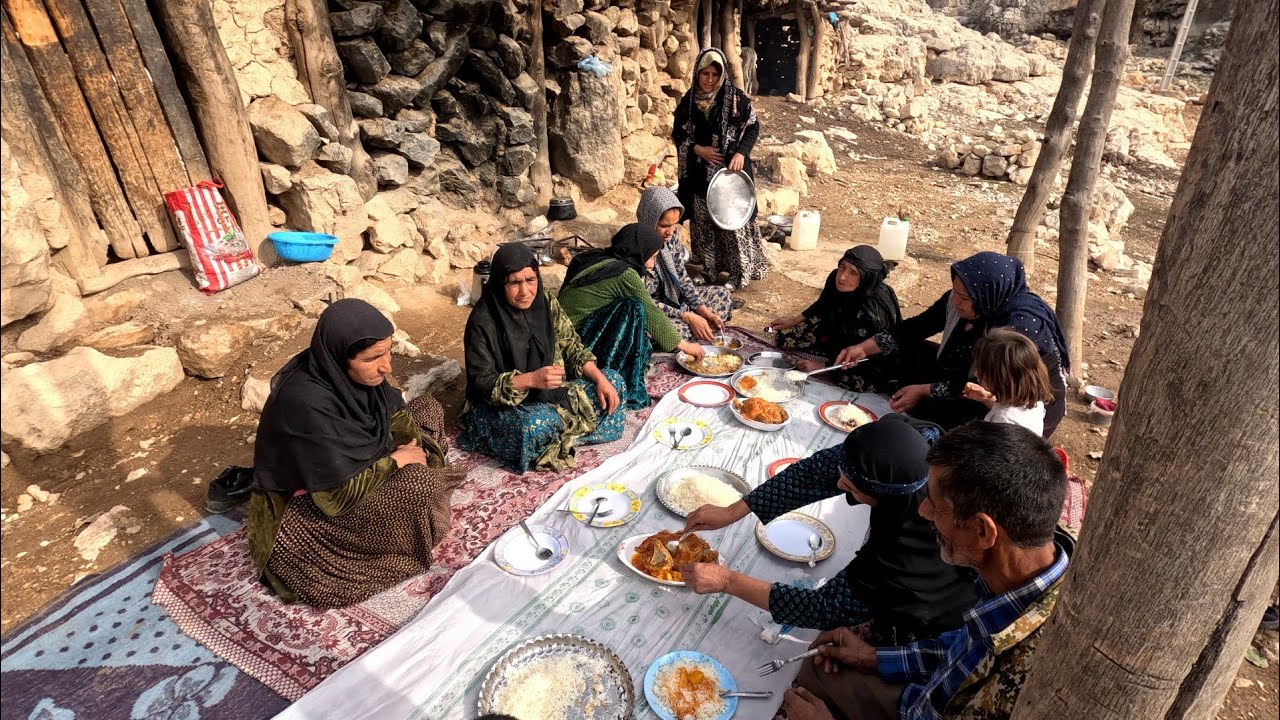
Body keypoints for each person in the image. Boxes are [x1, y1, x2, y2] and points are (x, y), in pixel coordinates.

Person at [782, 421, 1073, 720]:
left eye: (935, 505)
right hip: (922, 700)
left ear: (982, 531)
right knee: (815, 669)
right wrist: (872, 657)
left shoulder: (1031, 674)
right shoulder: (1027, 575)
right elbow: (964, 649)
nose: (923, 512)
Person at [679, 415, 977, 644]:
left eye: (849, 488)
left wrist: (728, 581)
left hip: (935, 616)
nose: (837, 487)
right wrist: (734, 510)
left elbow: (825, 608)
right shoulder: (905, 442)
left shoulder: (908, 543)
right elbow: (816, 472)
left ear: (882, 497)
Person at [247, 299, 463, 608]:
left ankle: (418, 504)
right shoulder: (306, 404)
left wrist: (412, 447)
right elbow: (335, 498)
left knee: (427, 408)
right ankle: (409, 521)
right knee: (418, 483)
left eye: (388, 351)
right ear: (339, 358)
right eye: (373, 358)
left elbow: (397, 415)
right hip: (315, 505)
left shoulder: (357, 379)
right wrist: (397, 461)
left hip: (367, 461)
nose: (387, 366)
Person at [836, 252, 1070, 437]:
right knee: (911, 354)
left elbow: (985, 387)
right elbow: (917, 327)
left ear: (986, 297)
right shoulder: (966, 297)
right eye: (956, 292)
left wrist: (924, 390)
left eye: (964, 298)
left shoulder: (1019, 330)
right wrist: (864, 348)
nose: (956, 301)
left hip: (1008, 397)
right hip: (974, 385)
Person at [460, 244, 624, 473]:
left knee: (614, 382)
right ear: (499, 283)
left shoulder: (546, 302)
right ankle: (561, 434)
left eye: (530, 280)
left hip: (551, 393)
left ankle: (559, 437)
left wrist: (599, 379)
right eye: (514, 282)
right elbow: (482, 383)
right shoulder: (483, 321)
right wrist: (531, 380)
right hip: (505, 406)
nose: (525, 291)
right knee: (533, 427)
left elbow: (572, 346)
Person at [557, 224, 705, 410]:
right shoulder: (625, 274)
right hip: (575, 345)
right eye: (652, 257)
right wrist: (684, 345)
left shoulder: (596, 257)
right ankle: (620, 377)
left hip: (560, 336)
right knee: (634, 309)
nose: (651, 264)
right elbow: (651, 312)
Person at [673, 47, 769, 291]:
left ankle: (739, 274)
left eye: (715, 74)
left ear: (722, 75)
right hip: (699, 177)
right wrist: (697, 149)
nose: (709, 80)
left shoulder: (736, 99)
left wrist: (740, 152)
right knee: (703, 224)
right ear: (697, 74)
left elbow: (752, 127)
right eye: (704, 74)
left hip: (730, 175)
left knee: (732, 223)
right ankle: (709, 269)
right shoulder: (688, 102)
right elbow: (679, 134)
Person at [769, 246, 902, 390]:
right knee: (784, 337)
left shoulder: (873, 310)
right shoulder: (835, 279)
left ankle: (831, 359)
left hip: (867, 357)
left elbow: (876, 354)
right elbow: (821, 305)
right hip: (837, 332)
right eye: (842, 267)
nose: (843, 277)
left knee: (849, 378)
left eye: (853, 273)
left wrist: (821, 365)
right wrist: (793, 321)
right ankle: (830, 352)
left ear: (866, 278)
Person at [636, 185, 734, 342]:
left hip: (675, 300)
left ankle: (698, 327)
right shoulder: (634, 247)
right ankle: (690, 332)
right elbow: (643, 301)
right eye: (664, 226)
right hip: (652, 311)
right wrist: (686, 316)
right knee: (652, 331)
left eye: (674, 224)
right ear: (649, 220)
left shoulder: (671, 237)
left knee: (722, 295)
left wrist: (704, 312)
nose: (670, 231)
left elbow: (682, 279)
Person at [963, 327, 1056, 437]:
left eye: (982, 370)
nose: (976, 373)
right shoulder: (1033, 401)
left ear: (1001, 377)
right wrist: (986, 399)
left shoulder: (1004, 423)